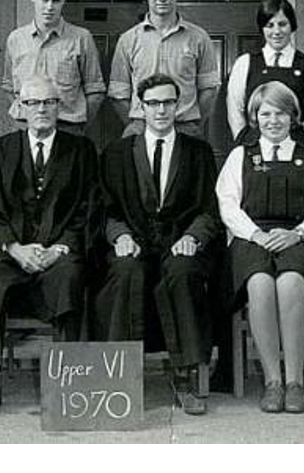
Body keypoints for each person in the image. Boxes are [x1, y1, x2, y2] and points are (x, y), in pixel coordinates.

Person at [0, 74, 99, 417]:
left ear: (60, 106)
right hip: (10, 251)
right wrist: (13, 247)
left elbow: (89, 208)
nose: (41, 109)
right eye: (33, 103)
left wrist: (60, 248)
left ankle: (67, 383)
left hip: (59, 253)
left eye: (49, 102)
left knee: (71, 277)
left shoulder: (81, 151)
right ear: (20, 108)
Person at [94, 73, 222, 415]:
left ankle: (185, 376)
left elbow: (211, 208)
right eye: (153, 103)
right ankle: (119, 379)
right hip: (133, 242)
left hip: (180, 242)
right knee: (123, 272)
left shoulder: (199, 152)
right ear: (141, 107)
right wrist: (119, 236)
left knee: (182, 272)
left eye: (168, 102)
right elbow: (104, 208)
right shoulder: (116, 153)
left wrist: (193, 237)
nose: (161, 110)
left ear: (178, 105)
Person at [216, 81, 304, 414]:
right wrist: (255, 235)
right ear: (255, 117)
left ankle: (295, 381)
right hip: (251, 237)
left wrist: (299, 233)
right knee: (259, 283)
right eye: (265, 113)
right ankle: (272, 380)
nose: (273, 120)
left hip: (297, 237)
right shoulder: (240, 156)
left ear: (293, 117)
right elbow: (227, 205)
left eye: (281, 113)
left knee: (290, 282)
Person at [108, 0, 220, 139]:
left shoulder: (198, 38)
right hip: (141, 128)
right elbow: (118, 94)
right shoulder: (128, 40)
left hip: (184, 127)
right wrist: (139, 124)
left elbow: (209, 89)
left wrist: (193, 123)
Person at [1, 0, 105, 136]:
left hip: (68, 127)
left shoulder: (81, 38)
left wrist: (79, 125)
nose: (49, 7)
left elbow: (95, 90)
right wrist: (25, 115)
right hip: (25, 128)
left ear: (64, 0)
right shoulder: (16, 39)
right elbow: (8, 87)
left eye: (56, 1)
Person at [225, 0, 304, 150]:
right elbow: (235, 110)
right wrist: (244, 144)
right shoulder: (245, 63)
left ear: (292, 25)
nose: (276, 31)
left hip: (295, 148)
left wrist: (303, 148)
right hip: (254, 146)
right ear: (262, 29)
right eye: (270, 25)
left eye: (282, 24)